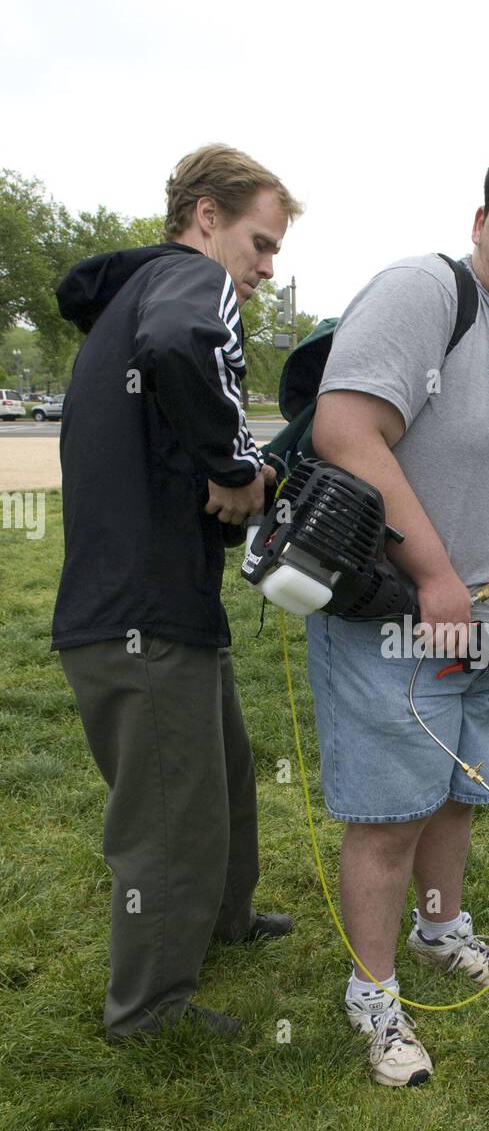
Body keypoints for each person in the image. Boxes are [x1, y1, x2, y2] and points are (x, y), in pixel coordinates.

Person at [308, 142, 489, 1086]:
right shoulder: (425, 294)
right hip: (401, 612)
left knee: (460, 793)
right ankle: (374, 996)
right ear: (479, 224)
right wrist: (435, 576)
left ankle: (440, 934)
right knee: (389, 812)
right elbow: (346, 429)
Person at [52, 145, 302, 1042]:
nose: (267, 269)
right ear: (206, 217)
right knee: (168, 816)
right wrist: (237, 466)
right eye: (261, 243)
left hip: (160, 604)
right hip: (136, 614)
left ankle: (225, 923)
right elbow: (181, 349)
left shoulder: (131, 298)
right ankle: (149, 1009)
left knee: (223, 779)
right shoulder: (191, 285)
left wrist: (231, 495)